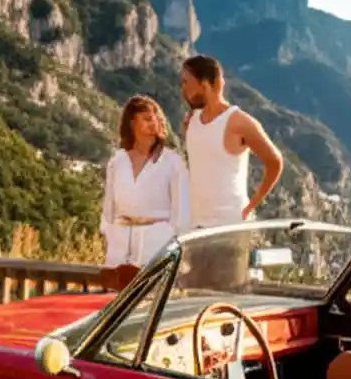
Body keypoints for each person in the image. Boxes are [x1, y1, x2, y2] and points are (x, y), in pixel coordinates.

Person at [178, 55, 284, 289]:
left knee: (226, 299)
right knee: (194, 298)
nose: (182, 88)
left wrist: (252, 204)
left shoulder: (240, 122)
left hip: (229, 229)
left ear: (205, 83)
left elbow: (275, 161)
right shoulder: (191, 121)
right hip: (196, 228)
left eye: (186, 82)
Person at [100, 95, 190, 268]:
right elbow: (108, 211)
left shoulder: (173, 163)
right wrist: (111, 238)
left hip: (157, 247)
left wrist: (169, 245)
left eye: (156, 119)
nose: (153, 123)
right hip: (119, 251)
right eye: (147, 119)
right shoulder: (117, 162)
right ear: (132, 123)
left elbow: (182, 215)